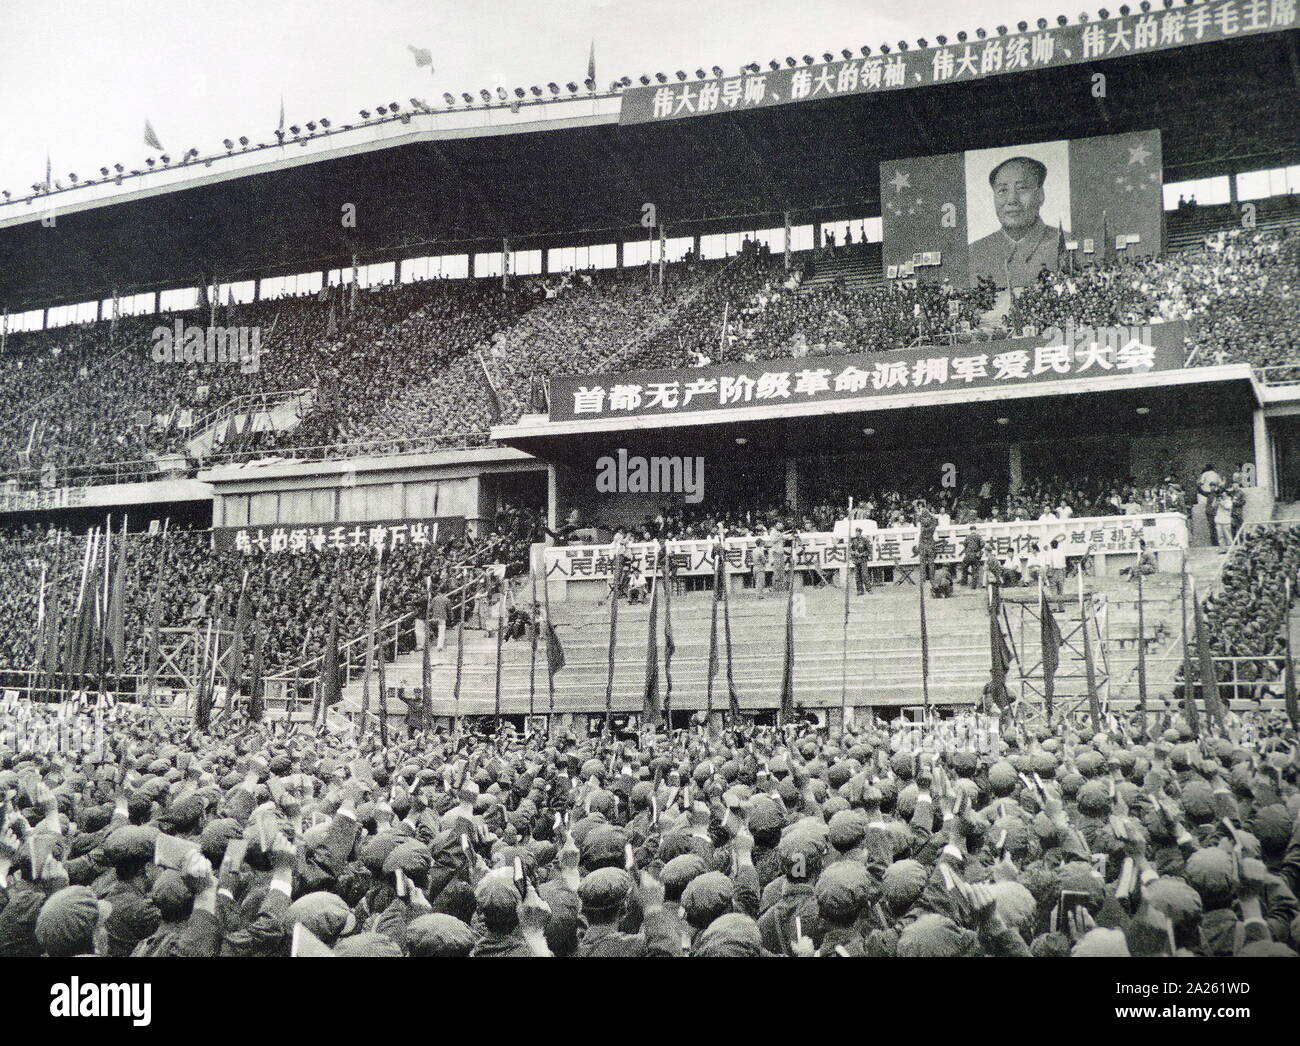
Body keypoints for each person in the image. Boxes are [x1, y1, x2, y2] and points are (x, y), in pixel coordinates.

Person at [968, 157, 1062, 289]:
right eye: (1002, 190)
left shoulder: (1064, 243)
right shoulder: (973, 253)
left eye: (1022, 188)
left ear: (1041, 195)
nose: (1012, 199)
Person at [1198, 463, 1223, 546]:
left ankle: (1217, 543)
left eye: (1213, 486)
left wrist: (1198, 485)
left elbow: (1201, 486)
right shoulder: (1209, 494)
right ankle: (1215, 543)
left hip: (1215, 512)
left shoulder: (1217, 494)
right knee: (1213, 528)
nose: (1212, 487)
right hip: (1210, 513)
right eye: (1211, 486)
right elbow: (1221, 484)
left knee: (1216, 528)